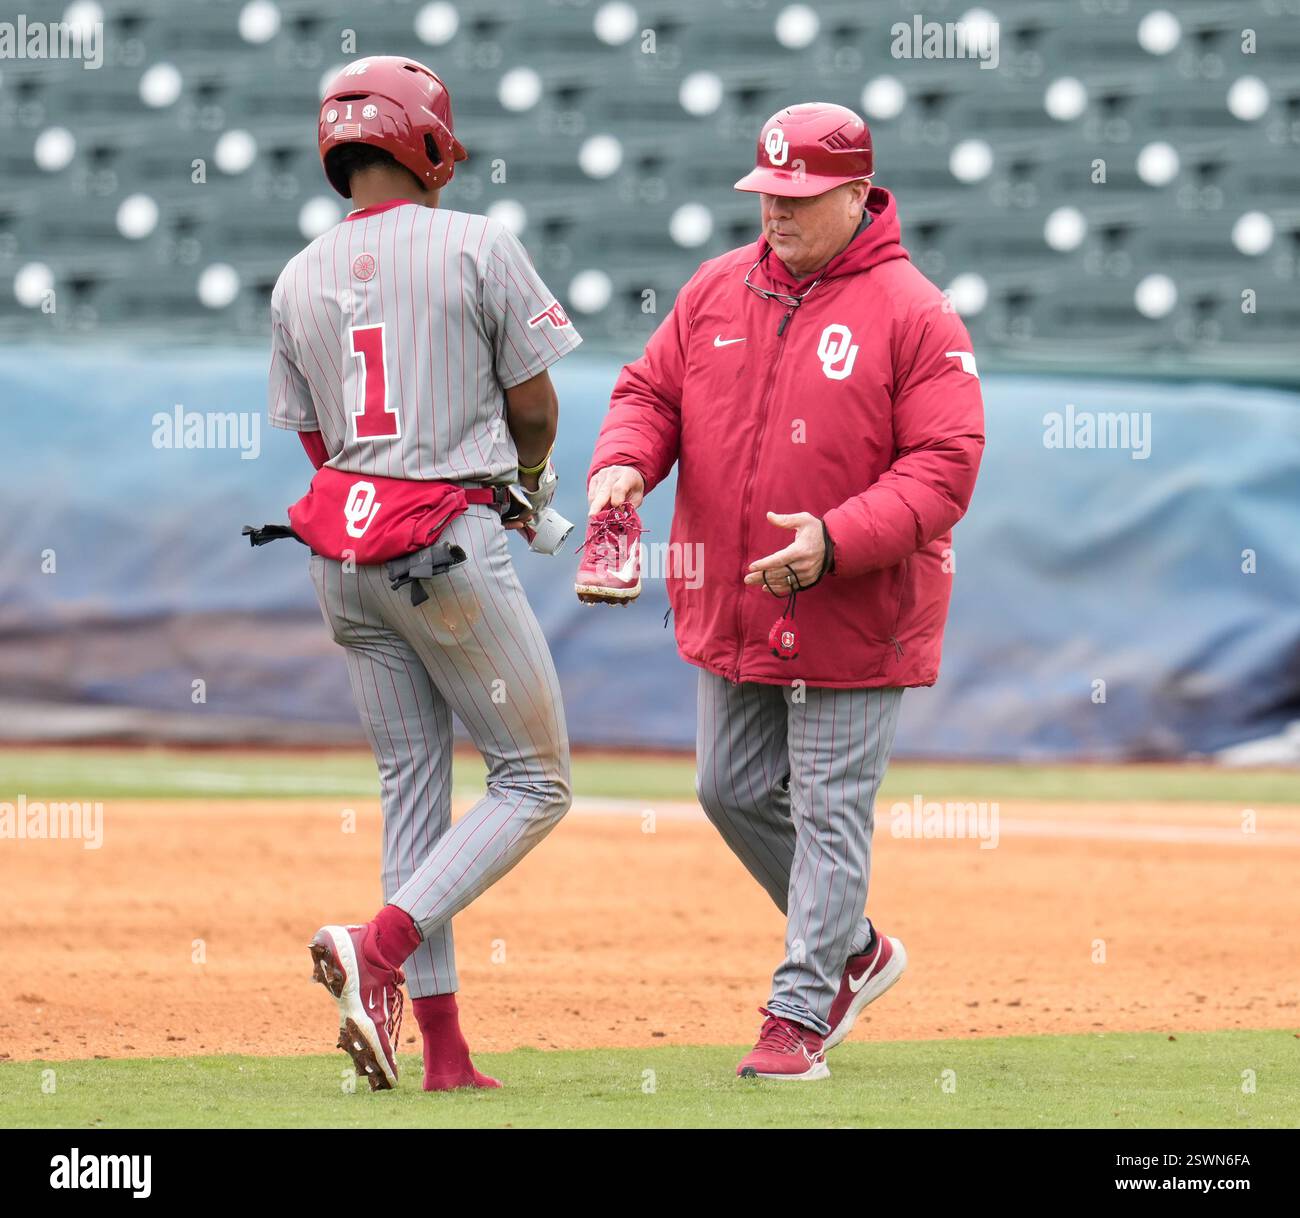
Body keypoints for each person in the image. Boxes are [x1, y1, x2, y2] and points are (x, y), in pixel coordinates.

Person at [580, 102, 985, 1079]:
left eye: (799, 195)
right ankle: (853, 950)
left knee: (831, 808)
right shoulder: (717, 287)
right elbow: (647, 392)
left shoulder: (916, 313)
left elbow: (944, 470)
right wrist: (624, 465)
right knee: (727, 790)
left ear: (857, 193)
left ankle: (801, 1011)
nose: (777, 211)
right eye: (767, 192)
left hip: (852, 608)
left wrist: (835, 542)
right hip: (737, 598)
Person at [265, 56, 581, 1091]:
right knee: (534, 780)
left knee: (412, 793)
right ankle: (380, 944)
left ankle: (441, 1053)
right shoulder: (478, 242)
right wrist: (530, 481)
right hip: (446, 539)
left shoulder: (296, 275)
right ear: (427, 143)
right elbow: (534, 408)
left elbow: (316, 446)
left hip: (345, 556)